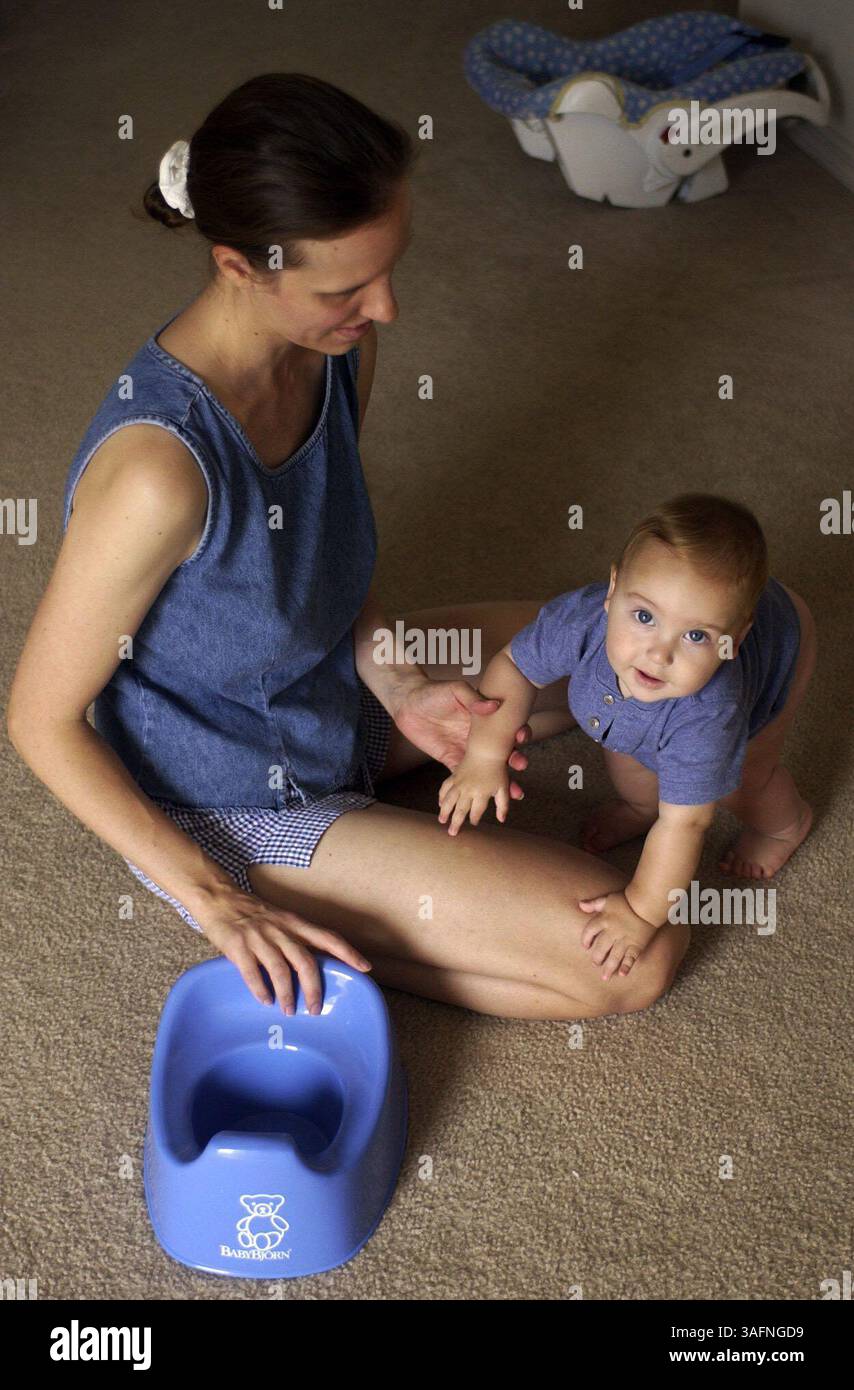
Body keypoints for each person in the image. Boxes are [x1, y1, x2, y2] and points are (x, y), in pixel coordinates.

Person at [6, 72, 690, 1021]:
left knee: (618, 645)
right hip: (233, 801)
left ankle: (372, 862)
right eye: (347, 286)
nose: (387, 309)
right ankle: (298, 898)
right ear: (240, 265)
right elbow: (41, 721)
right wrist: (215, 899)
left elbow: (329, 546)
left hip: (332, 688)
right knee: (634, 957)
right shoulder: (157, 474)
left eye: (388, 268)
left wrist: (401, 684)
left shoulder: (339, 347)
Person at [437, 494, 817, 979]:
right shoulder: (581, 619)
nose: (659, 654)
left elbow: (686, 826)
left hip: (784, 648)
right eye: (644, 617)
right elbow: (515, 666)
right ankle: (641, 808)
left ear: (734, 639)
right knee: (628, 750)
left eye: (697, 636)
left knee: (745, 782)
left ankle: (785, 826)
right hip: (642, 708)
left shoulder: (709, 717)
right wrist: (484, 753)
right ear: (613, 591)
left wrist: (640, 912)